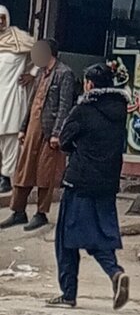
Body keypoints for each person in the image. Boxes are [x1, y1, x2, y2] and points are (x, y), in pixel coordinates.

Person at [47, 62, 129, 310]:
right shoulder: (119, 111)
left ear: (90, 84)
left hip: (80, 182)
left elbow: (63, 141)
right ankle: (115, 273)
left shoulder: (83, 110)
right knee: (101, 234)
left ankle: (70, 292)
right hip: (107, 185)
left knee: (67, 239)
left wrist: (77, 150)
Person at [0, 39, 75, 232]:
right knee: (24, 169)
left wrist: (57, 133)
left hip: (49, 130)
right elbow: (32, 101)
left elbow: (64, 106)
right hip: (33, 125)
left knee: (45, 172)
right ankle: (18, 211)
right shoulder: (41, 72)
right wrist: (23, 127)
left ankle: (41, 213)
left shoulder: (64, 73)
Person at [0, 7, 35, 194]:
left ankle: (5, 177)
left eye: (2, 18)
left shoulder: (19, 39)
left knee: (9, 139)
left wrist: (32, 74)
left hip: (11, 96)